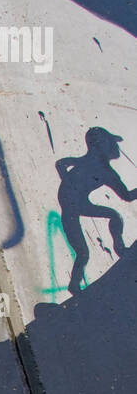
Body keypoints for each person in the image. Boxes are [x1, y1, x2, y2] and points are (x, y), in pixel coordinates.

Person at [56, 126, 137, 295]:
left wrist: (68, 183)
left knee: (84, 251)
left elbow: (61, 163)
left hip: (75, 203)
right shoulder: (102, 169)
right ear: (100, 146)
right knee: (83, 252)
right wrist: (69, 183)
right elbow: (127, 195)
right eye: (111, 143)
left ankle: (119, 249)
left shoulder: (102, 170)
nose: (116, 148)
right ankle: (119, 249)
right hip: (73, 205)